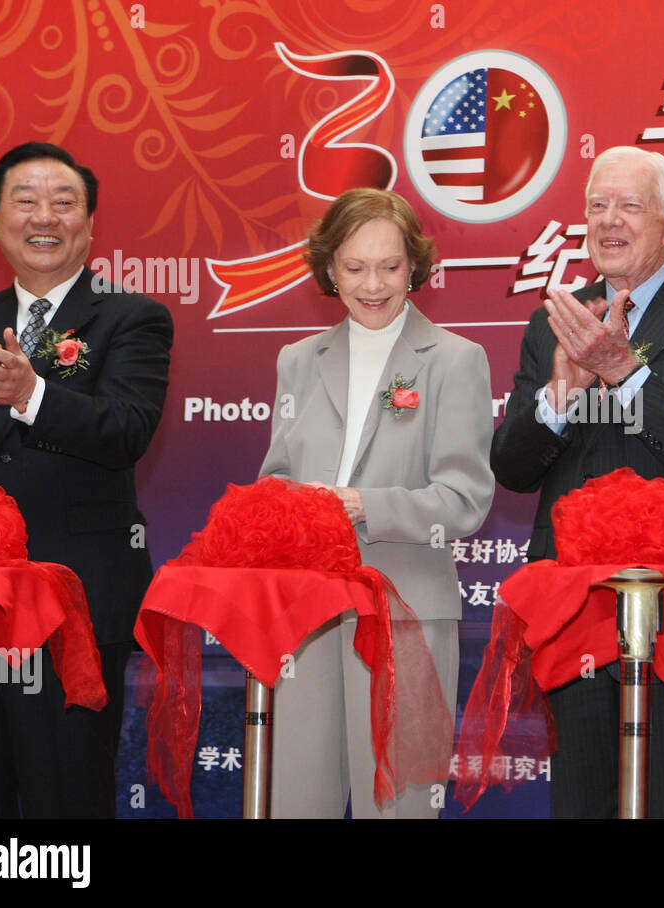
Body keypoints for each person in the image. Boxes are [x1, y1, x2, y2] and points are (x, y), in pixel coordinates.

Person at [491, 146, 664, 817]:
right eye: (597, 204)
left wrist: (626, 373)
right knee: (586, 795)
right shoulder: (555, 321)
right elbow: (513, 469)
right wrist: (560, 394)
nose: (608, 220)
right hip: (574, 607)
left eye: (630, 205)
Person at [0, 142, 174, 817]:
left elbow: (126, 429)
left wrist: (29, 393)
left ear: (91, 224)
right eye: (25, 201)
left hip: (76, 599)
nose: (45, 217)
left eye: (64, 202)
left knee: (63, 793)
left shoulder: (131, 316)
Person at [259, 187, 494, 818]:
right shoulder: (297, 361)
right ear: (329, 268)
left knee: (399, 807)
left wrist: (363, 504)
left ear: (415, 267)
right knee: (294, 803)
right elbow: (274, 478)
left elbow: (464, 499)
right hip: (304, 618)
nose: (373, 285)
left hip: (406, 613)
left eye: (390, 267)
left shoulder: (455, 360)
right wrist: (283, 507)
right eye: (355, 267)